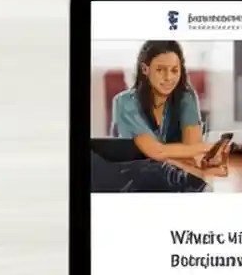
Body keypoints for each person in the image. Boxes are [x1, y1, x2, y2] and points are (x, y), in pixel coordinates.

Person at [93, 40, 224, 192]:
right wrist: (210, 148)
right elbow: (156, 152)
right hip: (131, 179)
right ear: (145, 69)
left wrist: (193, 160)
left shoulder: (185, 98)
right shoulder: (125, 102)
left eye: (175, 70)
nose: (169, 78)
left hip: (171, 177)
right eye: (161, 70)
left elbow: (191, 151)